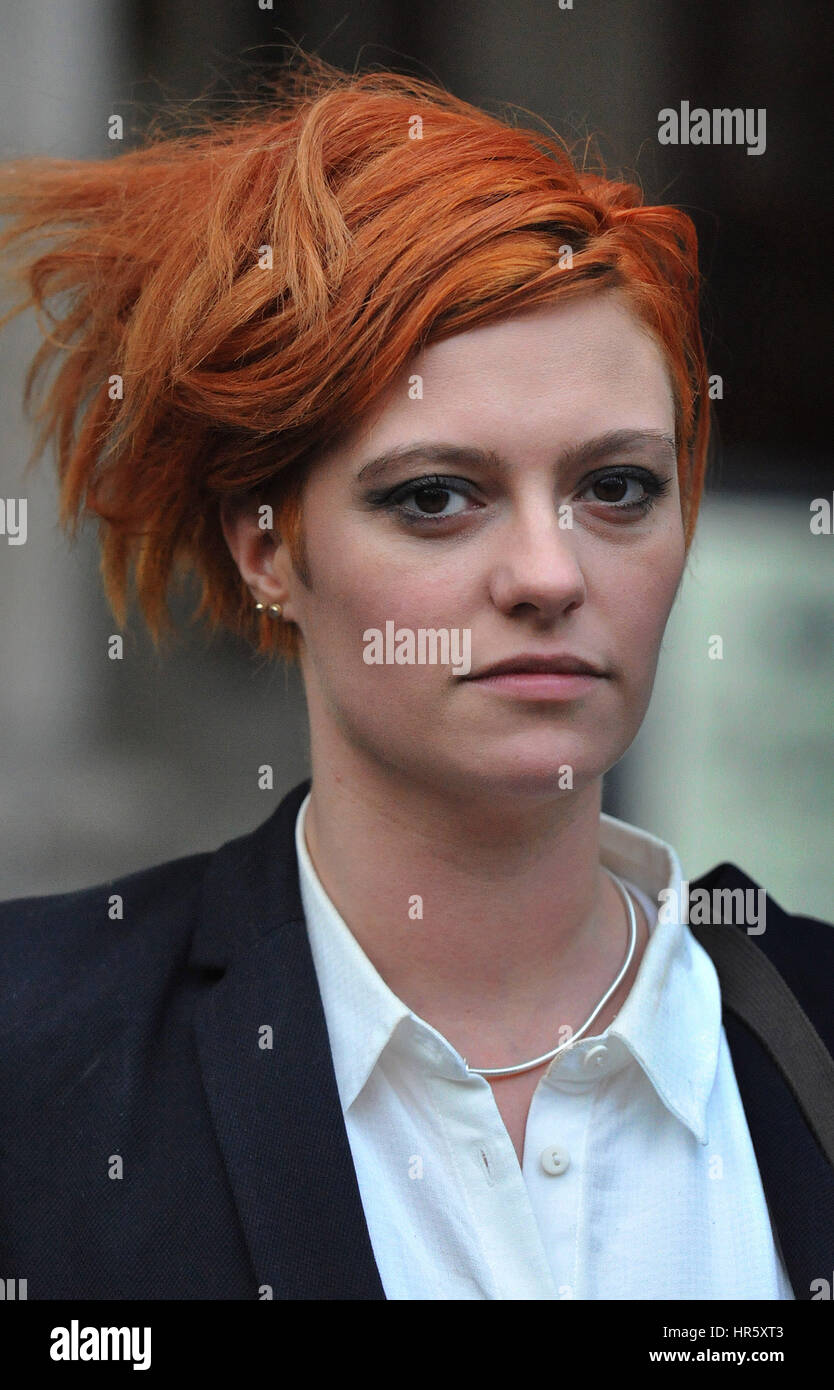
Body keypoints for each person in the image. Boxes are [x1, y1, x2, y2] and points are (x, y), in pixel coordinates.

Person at [0, 53, 832, 1302]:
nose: (549, 574)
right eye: (438, 496)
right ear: (267, 543)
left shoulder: (804, 1030)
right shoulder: (39, 1050)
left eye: (617, 488)